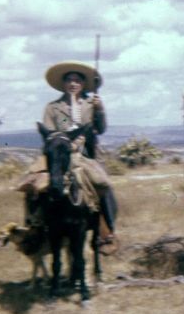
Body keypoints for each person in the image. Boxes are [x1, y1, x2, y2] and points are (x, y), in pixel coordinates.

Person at [24, 60, 118, 251]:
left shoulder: (92, 104)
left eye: (77, 80)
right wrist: (65, 143)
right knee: (32, 184)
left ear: (83, 84)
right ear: (64, 84)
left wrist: (100, 109)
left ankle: (107, 231)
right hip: (60, 153)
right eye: (69, 80)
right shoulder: (53, 107)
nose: (73, 84)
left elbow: (100, 129)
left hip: (86, 155)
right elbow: (49, 132)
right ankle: (35, 228)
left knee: (103, 184)